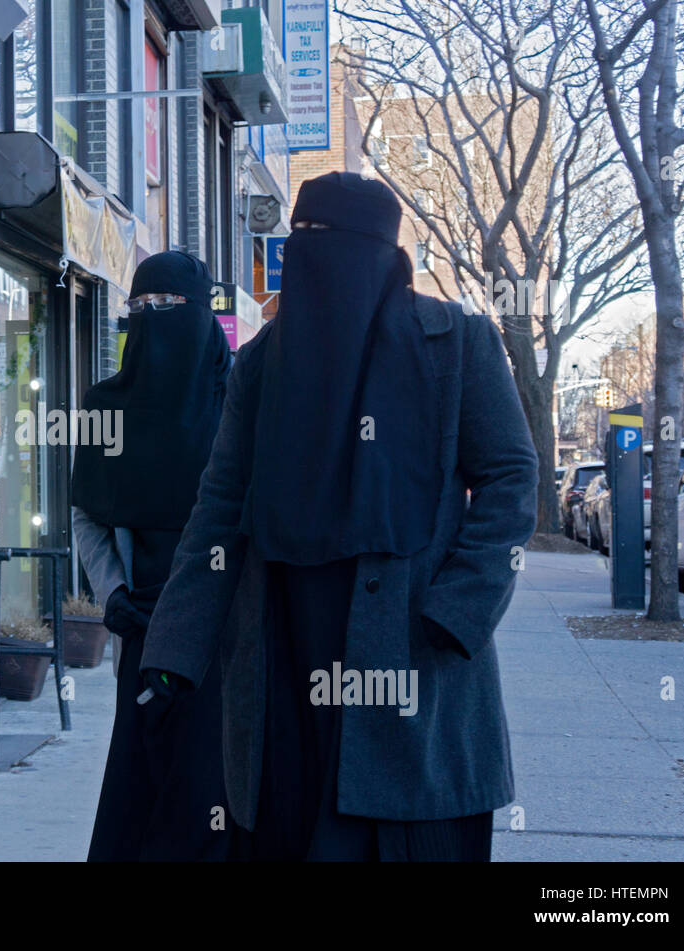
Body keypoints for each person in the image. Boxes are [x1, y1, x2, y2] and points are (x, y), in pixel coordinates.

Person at [137, 172, 538, 861]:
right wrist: (174, 649)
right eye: (303, 241)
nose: (314, 260)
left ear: (380, 254)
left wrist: (461, 609)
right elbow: (219, 509)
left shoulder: (457, 345)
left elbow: (511, 475)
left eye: (330, 242)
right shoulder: (261, 365)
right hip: (283, 659)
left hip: (416, 659)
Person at [72, 249, 233, 861]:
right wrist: (113, 594)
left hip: (225, 624)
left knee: (210, 786)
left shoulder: (239, 398)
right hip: (142, 621)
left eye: (166, 305)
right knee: (143, 783)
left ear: (199, 312)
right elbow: (87, 509)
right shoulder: (107, 405)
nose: (151, 317)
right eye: (139, 306)